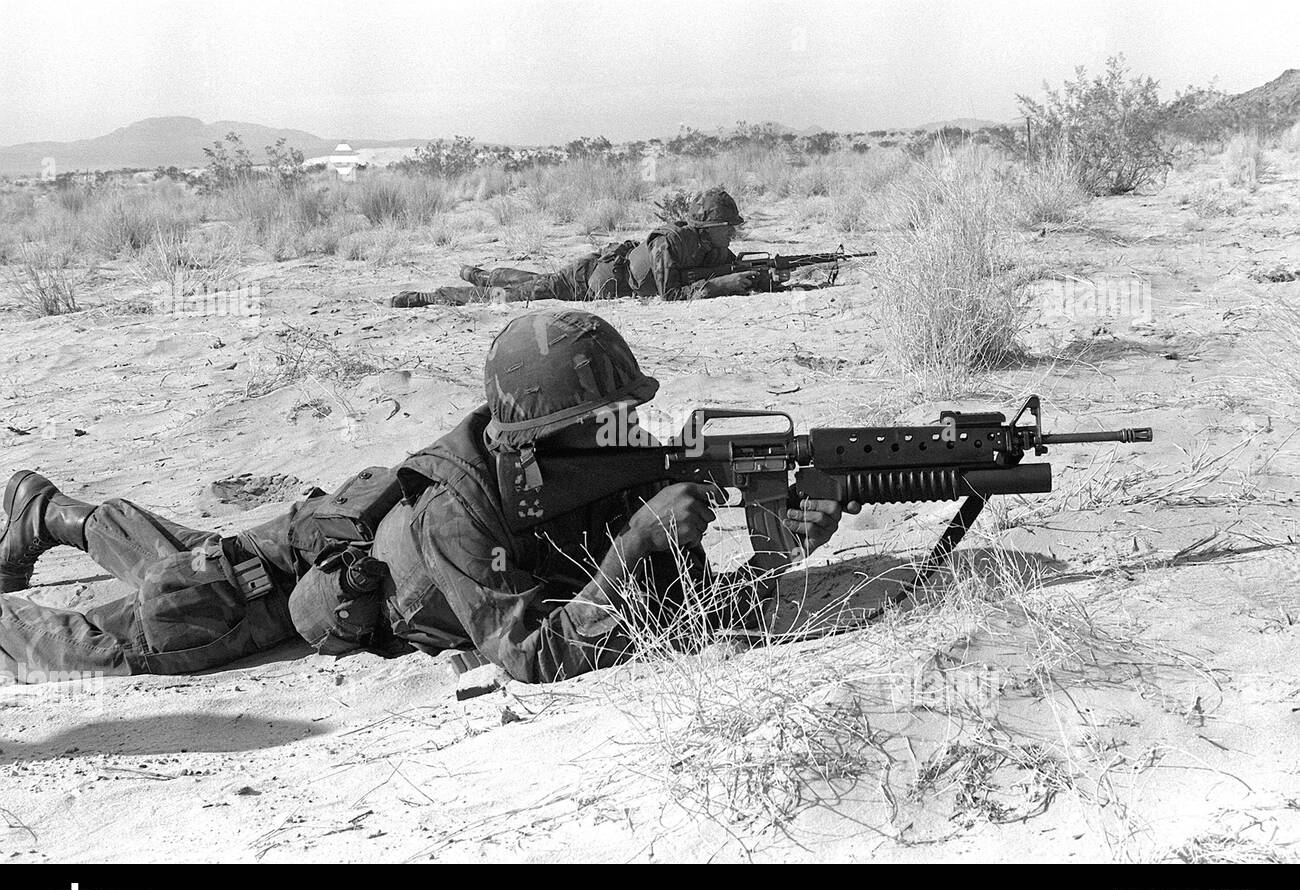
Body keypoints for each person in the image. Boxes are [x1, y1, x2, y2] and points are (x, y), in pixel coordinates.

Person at [0, 309, 854, 685]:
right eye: (602, 426)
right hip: (299, 575)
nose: (628, 440)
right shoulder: (463, 505)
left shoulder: (590, 477)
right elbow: (526, 656)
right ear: (538, 437)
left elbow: (670, 611)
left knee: (174, 559)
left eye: (625, 420)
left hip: (347, 539)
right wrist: (638, 540)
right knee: (143, 621)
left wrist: (781, 554)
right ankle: (48, 517)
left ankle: (45, 510)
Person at [389, 187, 760, 307]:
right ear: (710, 227)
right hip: (590, 280)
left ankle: (481, 275)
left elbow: (727, 270)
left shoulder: (713, 251)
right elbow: (670, 294)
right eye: (728, 228)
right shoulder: (672, 242)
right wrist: (721, 287)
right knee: (517, 296)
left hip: (596, 278)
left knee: (537, 282)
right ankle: (433, 297)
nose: (732, 235)